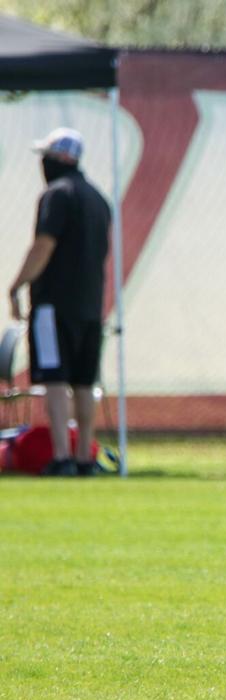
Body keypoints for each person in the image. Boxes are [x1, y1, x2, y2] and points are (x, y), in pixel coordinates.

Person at [7, 128, 111, 477]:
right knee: (83, 383)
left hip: (54, 306)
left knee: (54, 380)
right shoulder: (98, 199)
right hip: (90, 306)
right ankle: (85, 457)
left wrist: (18, 284)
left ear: (60, 159)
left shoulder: (56, 195)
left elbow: (43, 246)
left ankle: (62, 456)